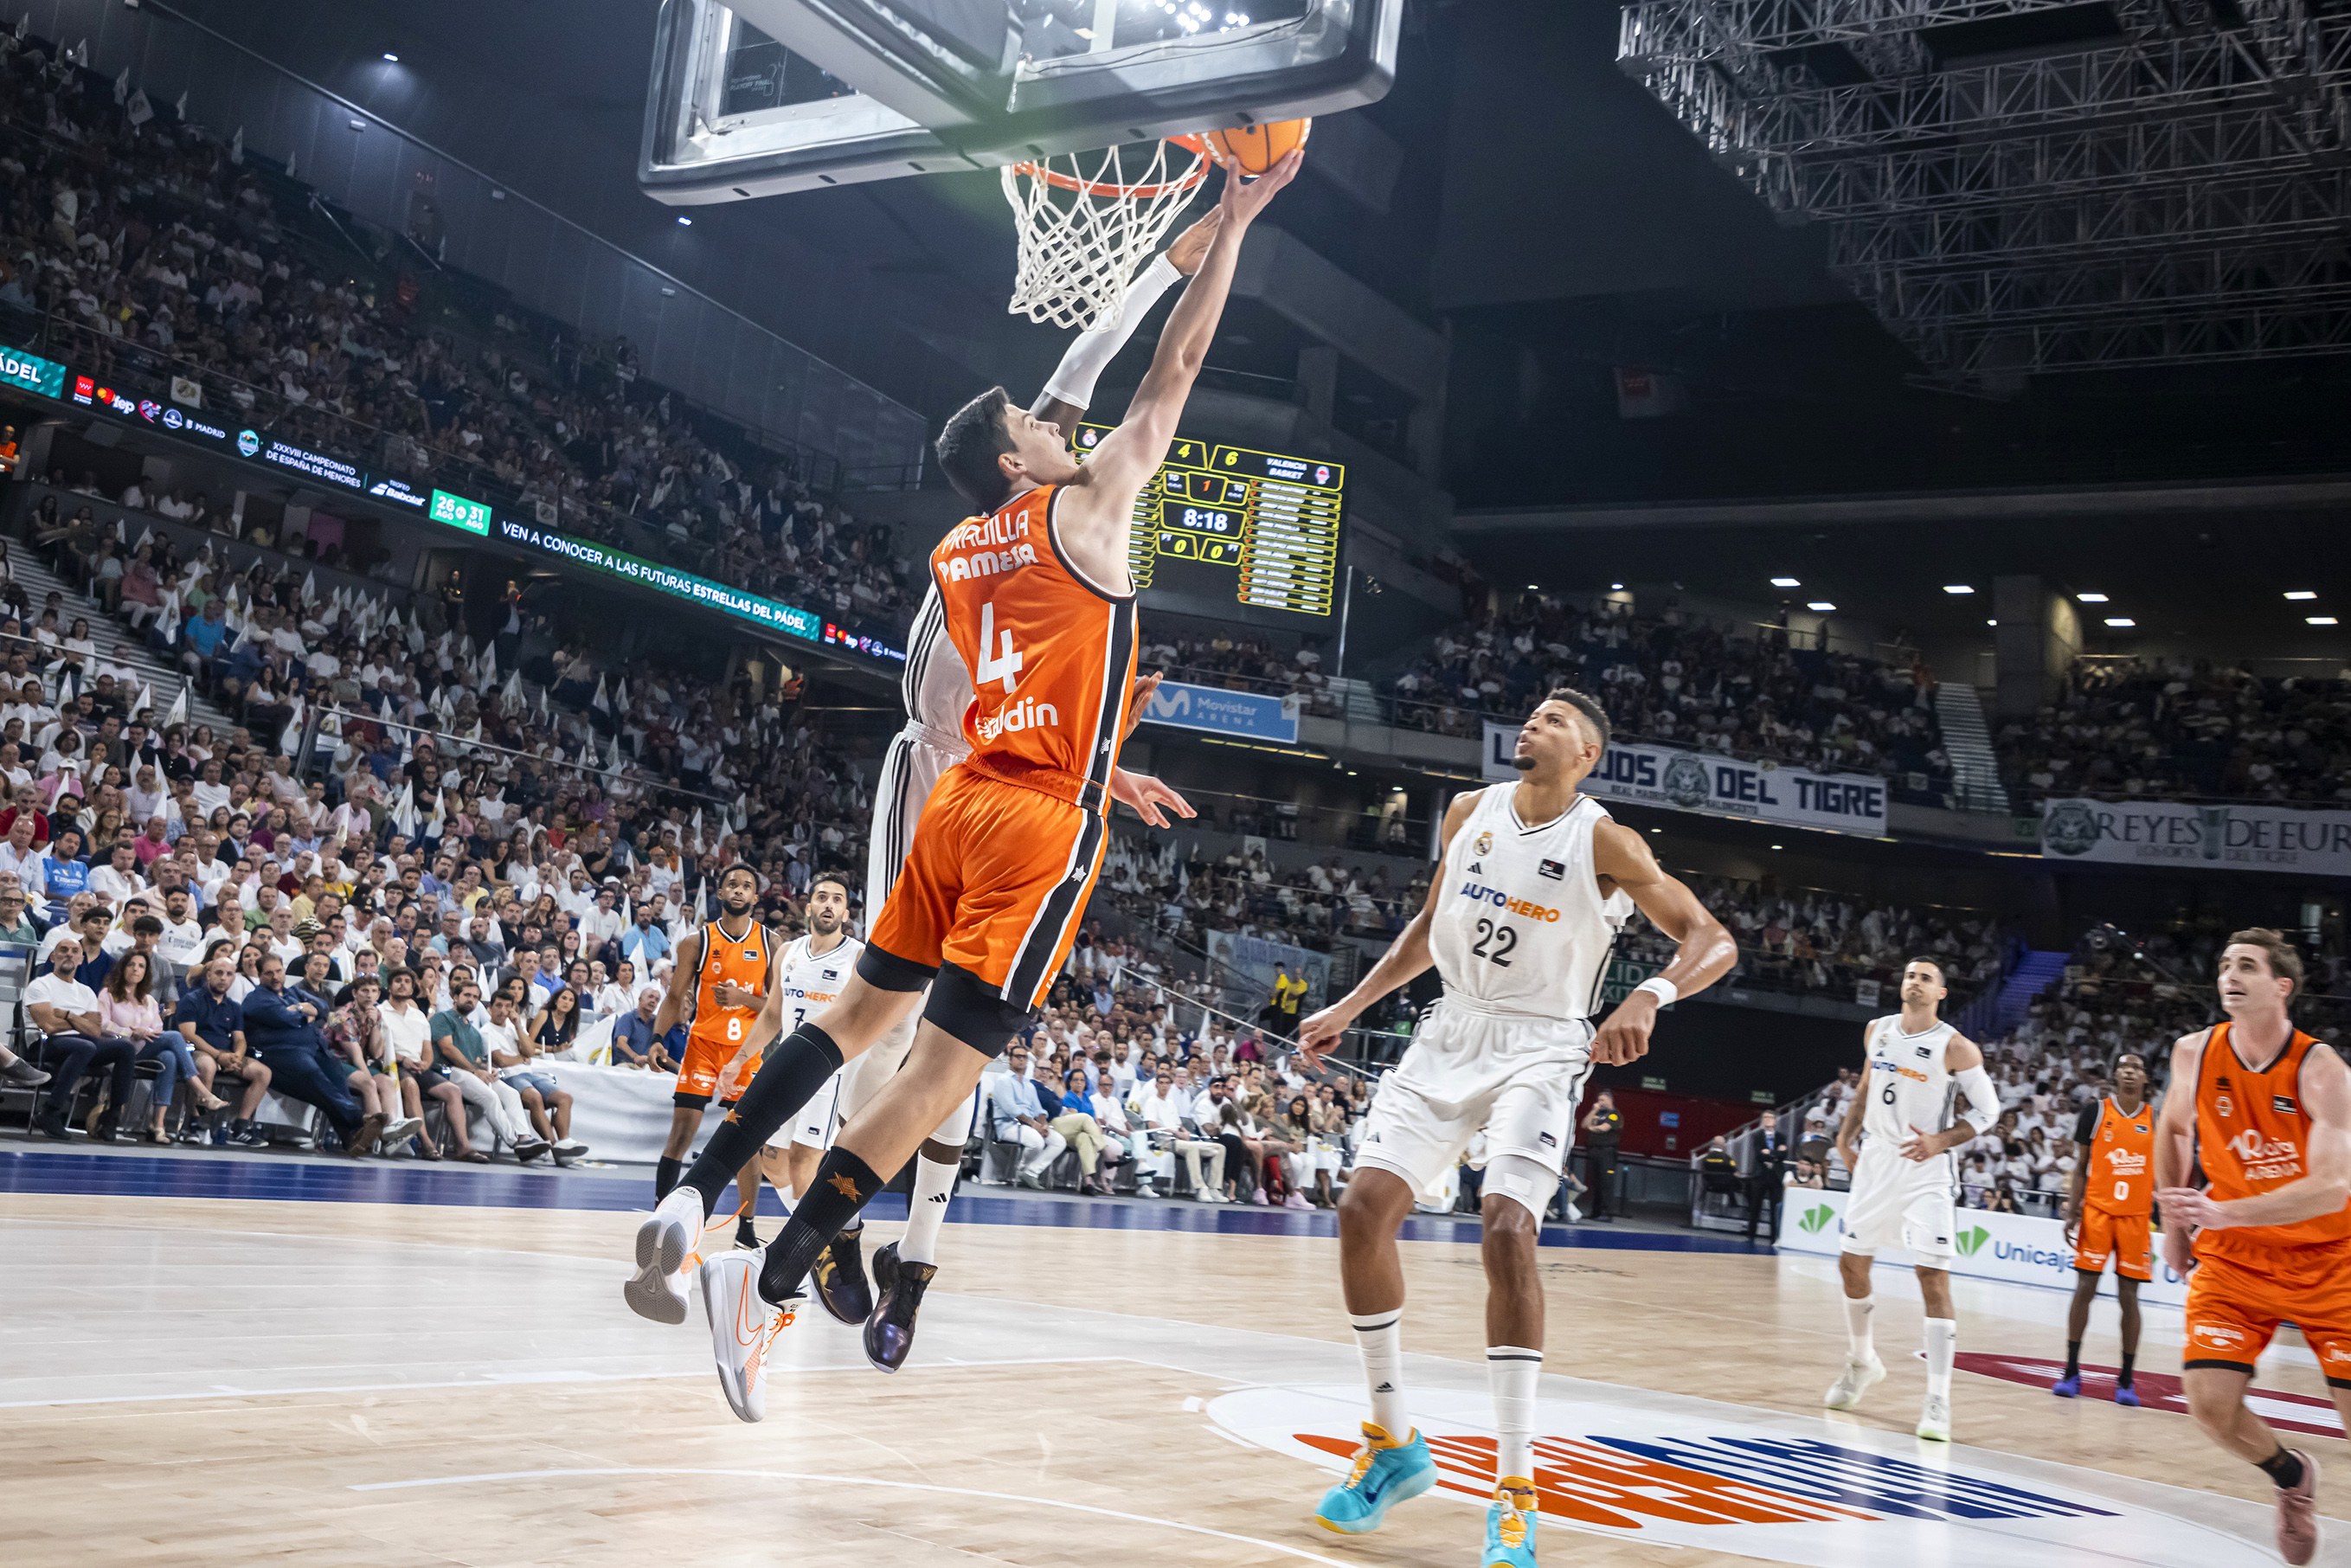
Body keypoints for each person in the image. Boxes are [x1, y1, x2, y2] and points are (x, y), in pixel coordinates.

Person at [626, 179, 1262, 1413]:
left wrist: (1091, 750)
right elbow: (1168, 374)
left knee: (856, 1023)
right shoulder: (1083, 510)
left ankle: (697, 1190)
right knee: (937, 1072)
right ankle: (778, 1280)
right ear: (1017, 456)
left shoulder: (957, 547)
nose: (1055, 423)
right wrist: (1223, 237)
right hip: (1026, 815)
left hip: (958, 789)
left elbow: (1008, 665)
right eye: (1036, 421)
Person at [1291, 689, 1734, 1565]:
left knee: (1505, 1228)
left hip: (1541, 1046)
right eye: (1531, 715)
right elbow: (1428, 928)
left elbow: (1709, 936)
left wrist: (1649, 993)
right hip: (1450, 1029)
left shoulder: (1605, 840)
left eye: (1555, 721)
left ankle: (1514, 1487)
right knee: (1359, 1210)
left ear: (1588, 756)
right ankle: (1392, 1444)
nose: (1533, 724)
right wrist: (1349, 1003)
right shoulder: (1467, 812)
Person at [2152, 929, 2351, 1568]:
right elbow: (2172, 1129)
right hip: (2236, 1259)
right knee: (2208, 1405)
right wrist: (2177, 1223)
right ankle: (2290, 1477)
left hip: (2331, 1261)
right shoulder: (2193, 1054)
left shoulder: (2322, 1072)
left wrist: (2217, 1209)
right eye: (2222, 964)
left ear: (2280, 987)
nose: (2228, 975)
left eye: (2245, 966)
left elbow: (2330, 1189)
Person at [1824, 958, 2000, 1444]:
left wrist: (1941, 1141)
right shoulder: (1876, 1031)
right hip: (1877, 1160)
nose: (1914, 982)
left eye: (1925, 978)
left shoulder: (1956, 1046)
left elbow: (1989, 1111)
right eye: (1909, 975)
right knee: (1851, 1266)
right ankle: (1862, 1362)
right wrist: (1845, 1137)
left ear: (1941, 993)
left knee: (1932, 1278)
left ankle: (1938, 1397)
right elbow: (1865, 1087)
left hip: (1926, 1169)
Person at [646, 864, 778, 1255]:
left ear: (756, 898)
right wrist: (657, 1038)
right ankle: (659, 1218)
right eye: (732, 884)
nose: (739, 890)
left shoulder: (772, 943)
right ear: (720, 892)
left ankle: (747, 1228)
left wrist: (742, 1000)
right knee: (681, 1134)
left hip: (746, 1054)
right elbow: (674, 998)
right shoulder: (696, 941)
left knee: (748, 1143)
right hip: (703, 1047)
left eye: (747, 886)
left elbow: (777, 1009)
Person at [2053, 1052, 2156, 1404]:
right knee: (2085, 1289)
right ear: (2115, 1074)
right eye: (2124, 1067)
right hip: (2097, 1214)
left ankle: (2126, 1379)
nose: (2129, 1072)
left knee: (2130, 1297)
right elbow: (2082, 1166)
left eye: (2136, 1068)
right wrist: (2072, 1209)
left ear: (2145, 1079)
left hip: (2136, 1218)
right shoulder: (2095, 1112)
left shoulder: (2156, 1119)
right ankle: (2070, 1371)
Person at [239, 953, 388, 1157]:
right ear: (259, 974)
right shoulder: (256, 1000)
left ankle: (351, 1138)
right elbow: (286, 1018)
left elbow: (324, 1007)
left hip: (314, 1050)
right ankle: (358, 1120)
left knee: (335, 1072)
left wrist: (303, 1008)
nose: (275, 977)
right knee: (313, 1075)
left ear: (284, 971)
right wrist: (305, 1013)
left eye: (278, 971)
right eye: (269, 973)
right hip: (280, 1055)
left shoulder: (292, 993)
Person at [22, 935, 138, 1141]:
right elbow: (48, 1026)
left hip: (84, 1043)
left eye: (74, 951)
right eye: (63, 950)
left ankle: (111, 1116)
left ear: (81, 959)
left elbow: (95, 1030)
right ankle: (50, 1111)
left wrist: (68, 1015)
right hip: (44, 1043)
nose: (69, 954)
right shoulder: (40, 985)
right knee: (84, 1046)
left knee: (125, 1048)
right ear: (52, 956)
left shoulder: (86, 991)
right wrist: (80, 1021)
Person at [1746, 1109, 1789, 1242]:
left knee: (1775, 1208)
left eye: (1770, 1117)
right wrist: (1774, 1155)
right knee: (1755, 1207)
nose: (1767, 1120)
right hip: (1760, 1175)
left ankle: (1774, 1238)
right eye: (1765, 1117)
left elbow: (1783, 1155)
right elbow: (1758, 1154)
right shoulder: (1758, 1135)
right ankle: (1751, 1235)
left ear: (1775, 1121)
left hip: (1775, 1176)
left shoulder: (1781, 1137)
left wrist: (1770, 1156)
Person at [1579, 1089, 1622, 1221]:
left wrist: (1591, 1128)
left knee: (1606, 1182)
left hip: (1607, 1152)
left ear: (1610, 1100)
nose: (1600, 1103)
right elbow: (1584, 1124)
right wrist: (1593, 1111)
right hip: (1594, 1151)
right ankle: (1596, 1212)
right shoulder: (1596, 1114)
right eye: (1599, 1100)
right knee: (1596, 1183)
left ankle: (1608, 1213)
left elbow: (1604, 1128)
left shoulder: (1615, 1115)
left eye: (1603, 1100)